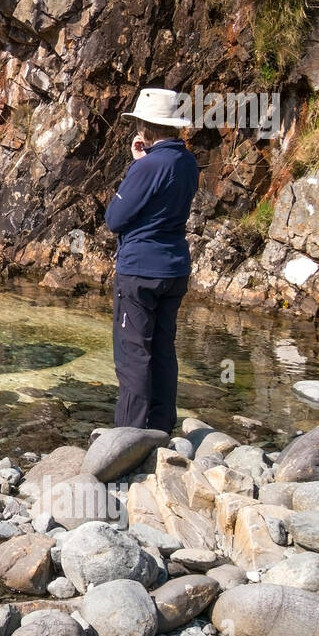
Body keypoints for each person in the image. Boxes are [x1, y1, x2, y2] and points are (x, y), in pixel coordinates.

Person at [104, 88, 200, 434]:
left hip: (140, 269)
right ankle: (161, 428)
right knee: (162, 348)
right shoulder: (188, 162)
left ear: (145, 126)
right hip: (175, 267)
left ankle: (128, 436)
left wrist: (137, 167)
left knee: (132, 352)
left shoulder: (148, 167)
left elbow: (115, 217)